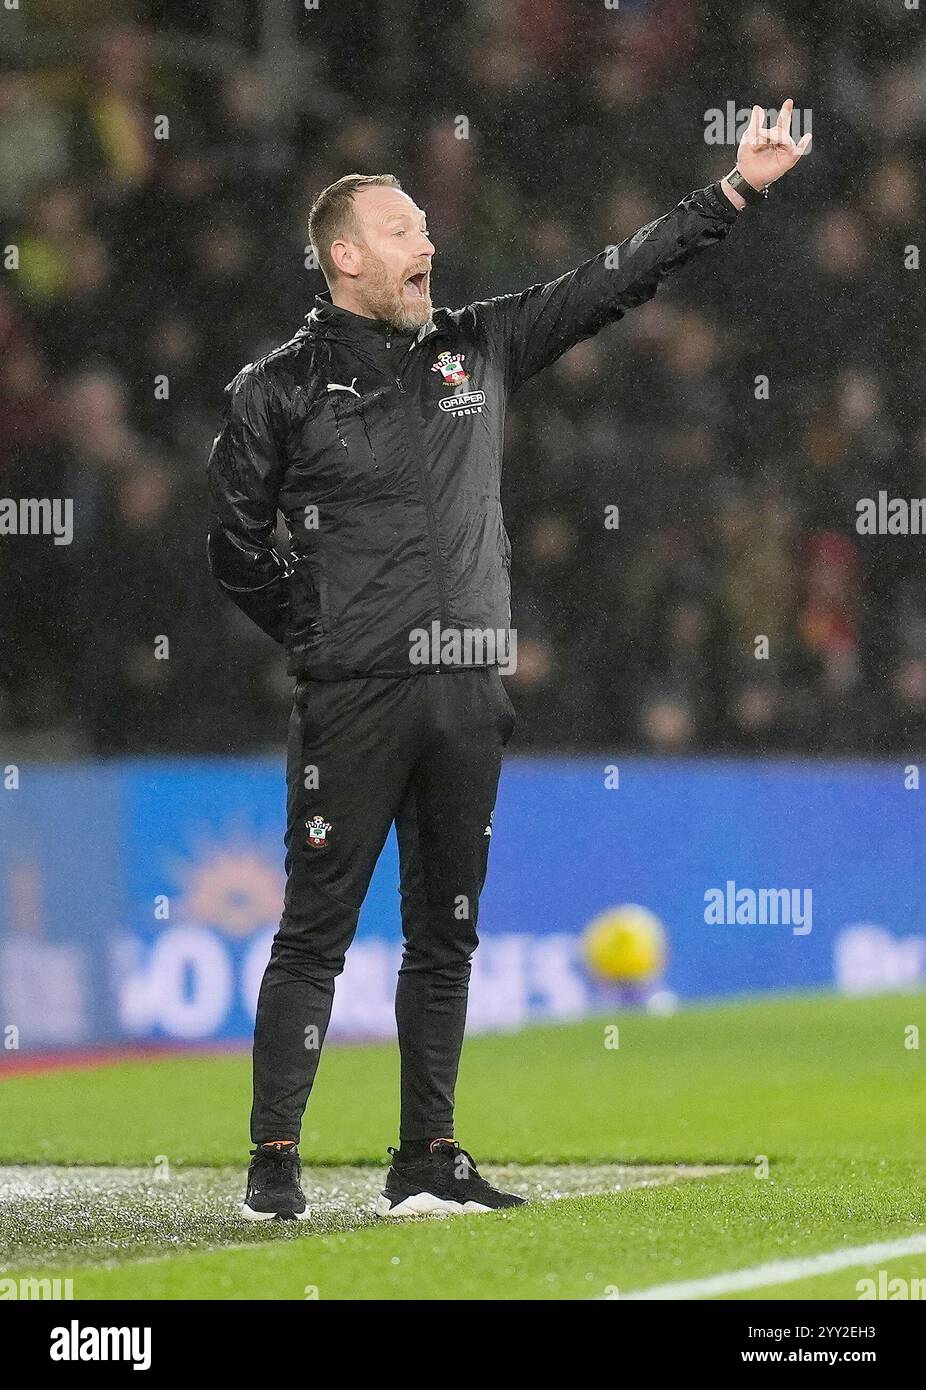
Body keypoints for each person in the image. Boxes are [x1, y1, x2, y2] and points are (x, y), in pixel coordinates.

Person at [207, 101, 811, 1220]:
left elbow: (609, 280)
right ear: (344, 255)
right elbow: (233, 547)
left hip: (471, 684)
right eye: (400, 230)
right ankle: (273, 1162)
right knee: (315, 931)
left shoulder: (475, 345)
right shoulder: (277, 388)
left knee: (444, 934)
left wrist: (730, 192)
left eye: (425, 225)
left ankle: (426, 1158)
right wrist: (321, 630)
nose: (425, 241)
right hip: (353, 693)